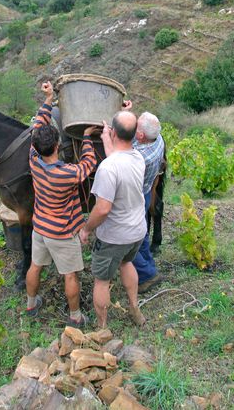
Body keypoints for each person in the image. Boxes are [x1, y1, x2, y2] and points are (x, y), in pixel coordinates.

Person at [26, 81, 98, 327]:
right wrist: (87, 137)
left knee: (35, 266)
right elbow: (89, 164)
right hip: (62, 233)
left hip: (40, 228)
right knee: (70, 275)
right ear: (58, 146)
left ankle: (31, 303)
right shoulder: (67, 173)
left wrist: (48, 98)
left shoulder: (33, 159)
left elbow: (38, 122)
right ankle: (75, 316)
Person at [80, 111, 146, 328]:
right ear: (135, 135)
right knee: (127, 263)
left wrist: (87, 229)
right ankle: (135, 308)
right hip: (137, 231)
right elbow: (117, 157)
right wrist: (107, 138)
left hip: (114, 236)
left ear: (115, 132)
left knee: (102, 280)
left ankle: (102, 328)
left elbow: (102, 210)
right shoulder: (138, 157)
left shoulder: (107, 168)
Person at [131, 112, 165, 293]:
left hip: (135, 200)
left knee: (128, 241)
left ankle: (146, 276)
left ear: (141, 135)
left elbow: (118, 157)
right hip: (145, 195)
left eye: (136, 126)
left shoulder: (140, 157)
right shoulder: (157, 138)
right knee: (142, 234)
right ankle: (150, 265)